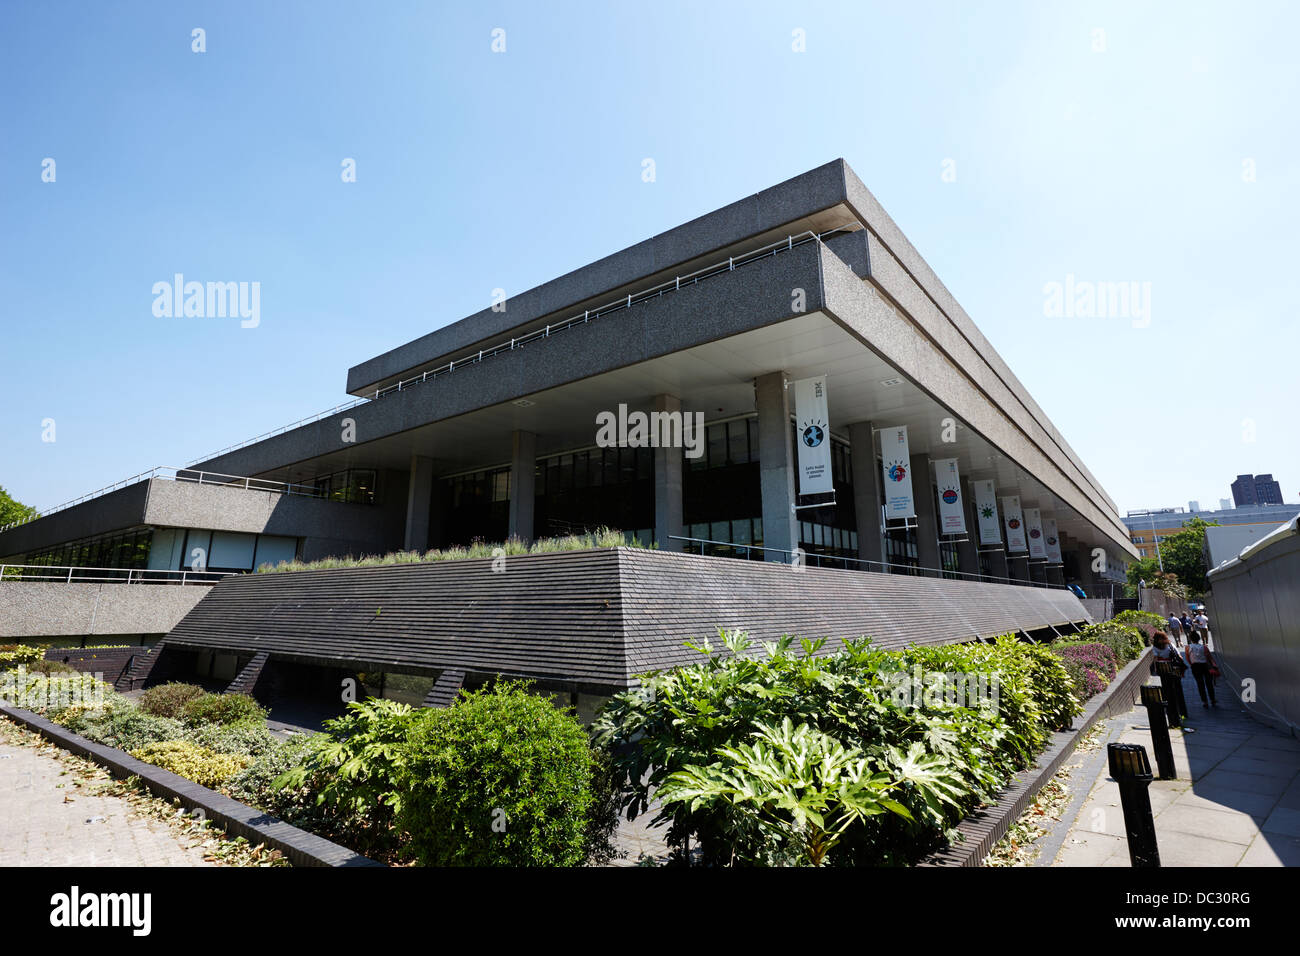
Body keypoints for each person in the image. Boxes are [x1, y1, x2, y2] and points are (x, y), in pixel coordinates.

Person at [1184, 632, 1218, 707]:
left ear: (1190, 639)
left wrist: (1192, 664)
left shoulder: (1188, 647)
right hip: (1205, 666)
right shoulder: (1204, 647)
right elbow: (1209, 657)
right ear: (1199, 638)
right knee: (1209, 683)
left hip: (1195, 666)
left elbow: (1187, 658)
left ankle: (1204, 701)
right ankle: (1212, 699)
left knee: (1200, 684)